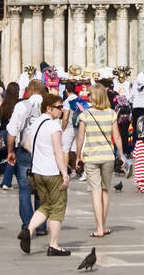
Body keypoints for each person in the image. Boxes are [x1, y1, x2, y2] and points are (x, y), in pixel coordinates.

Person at [20, 91, 71, 255]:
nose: (61, 110)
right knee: (57, 208)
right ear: (49, 108)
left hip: (37, 171)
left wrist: (40, 154)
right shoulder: (53, 125)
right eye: (58, 107)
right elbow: (58, 151)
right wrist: (65, 172)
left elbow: (27, 144)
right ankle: (54, 245)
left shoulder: (36, 123)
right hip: (52, 172)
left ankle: (28, 229)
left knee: (45, 205)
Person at [77, 84, 124, 239]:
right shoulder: (111, 113)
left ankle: (99, 228)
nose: (88, 97)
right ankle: (103, 226)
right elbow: (116, 137)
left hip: (91, 157)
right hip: (108, 157)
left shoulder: (86, 114)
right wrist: (122, 155)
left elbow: (81, 137)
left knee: (96, 193)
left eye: (90, 94)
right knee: (104, 191)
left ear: (94, 96)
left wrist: (78, 155)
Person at [5, 78, 46, 231]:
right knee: (42, 188)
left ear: (28, 91)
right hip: (44, 152)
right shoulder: (49, 106)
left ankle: (27, 225)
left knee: (24, 188)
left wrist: (10, 151)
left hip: (25, 151)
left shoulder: (21, 106)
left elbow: (11, 131)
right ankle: (41, 225)